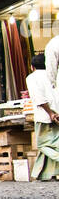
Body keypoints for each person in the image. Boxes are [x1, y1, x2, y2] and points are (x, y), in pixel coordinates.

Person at [25, 52, 59, 180]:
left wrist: (50, 113)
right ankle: (45, 173)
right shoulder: (54, 75)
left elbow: (39, 98)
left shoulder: (32, 78)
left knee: (43, 145)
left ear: (32, 66)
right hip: (57, 114)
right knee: (55, 143)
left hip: (45, 115)